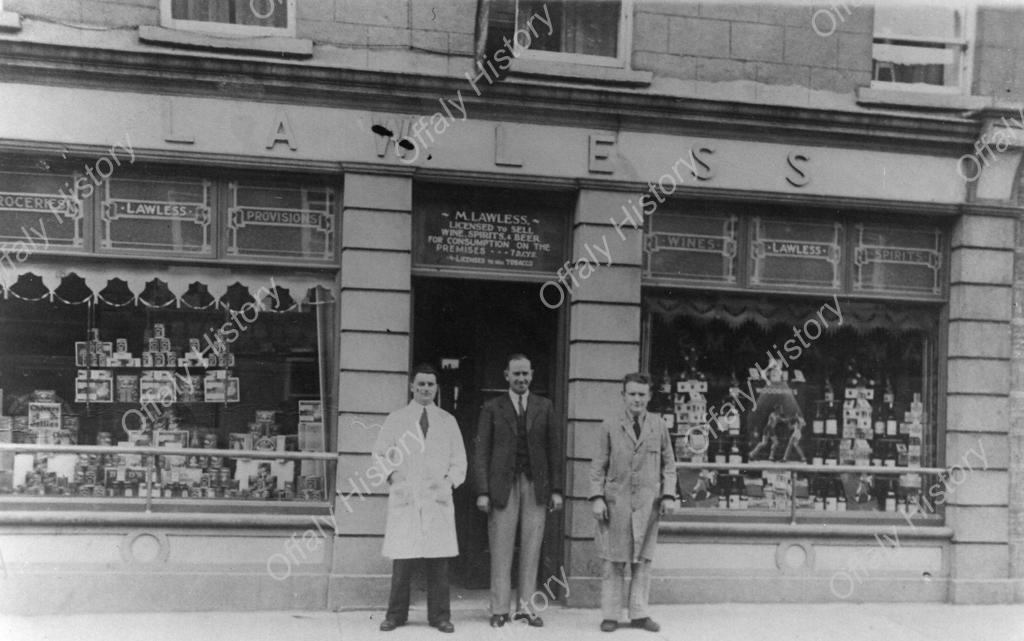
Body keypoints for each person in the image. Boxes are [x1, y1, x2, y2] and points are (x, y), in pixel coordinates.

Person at [375, 364, 467, 634]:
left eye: (431, 384)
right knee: (403, 559)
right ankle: (395, 615)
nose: (426, 388)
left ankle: (440, 616)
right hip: (406, 496)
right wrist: (394, 480)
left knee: (438, 561)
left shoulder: (447, 421)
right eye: (421, 384)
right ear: (412, 387)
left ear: (437, 388)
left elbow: (459, 460)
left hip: (436, 498)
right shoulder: (397, 419)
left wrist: (448, 484)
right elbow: (380, 454)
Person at [473, 354, 563, 627]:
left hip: (536, 484)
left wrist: (556, 490)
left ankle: (526, 608)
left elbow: (555, 451)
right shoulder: (492, 407)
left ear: (532, 375)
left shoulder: (545, 406)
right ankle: (499, 609)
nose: (521, 379)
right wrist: (483, 491)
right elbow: (481, 451)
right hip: (503, 485)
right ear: (506, 375)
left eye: (525, 374)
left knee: (532, 546)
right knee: (500, 547)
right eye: (516, 374)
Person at [589, 372, 677, 633]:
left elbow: (669, 464)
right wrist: (597, 498)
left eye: (642, 394)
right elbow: (597, 466)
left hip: (648, 503)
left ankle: (639, 614)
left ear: (649, 396)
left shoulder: (659, 426)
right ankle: (611, 615)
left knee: (643, 560)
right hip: (617, 503)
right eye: (632, 394)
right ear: (623, 396)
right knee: (614, 560)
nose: (637, 399)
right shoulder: (609, 425)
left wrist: (669, 495)